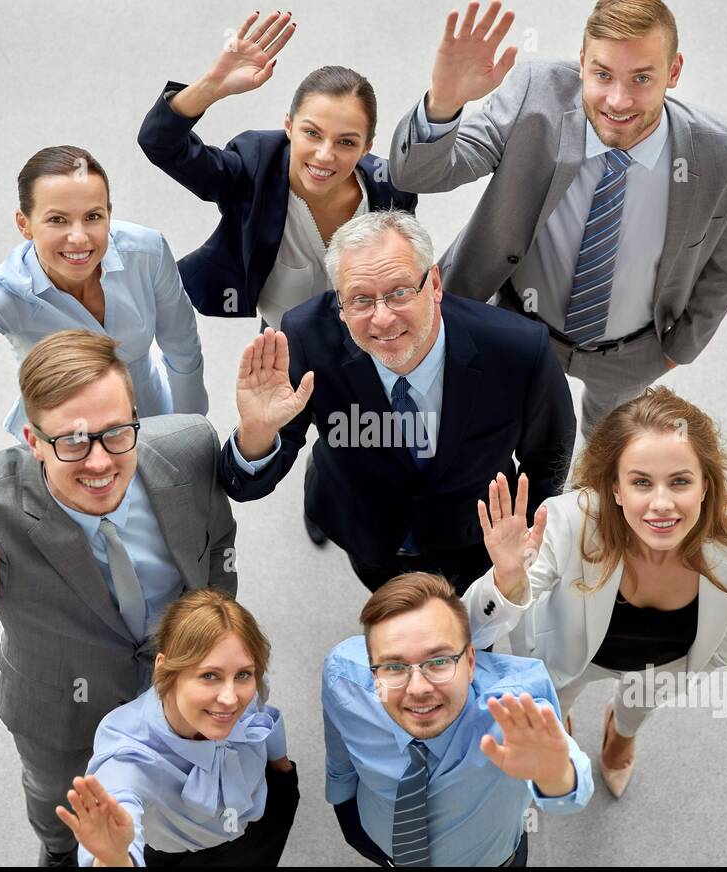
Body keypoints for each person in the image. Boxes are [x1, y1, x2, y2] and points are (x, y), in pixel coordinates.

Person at [0, 330, 237, 865]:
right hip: (62, 717)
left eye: (116, 433)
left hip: (179, 689)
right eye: (71, 440)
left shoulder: (191, 447)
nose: (98, 462)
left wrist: (214, 646)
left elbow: (219, 545)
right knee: (59, 815)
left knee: (184, 793)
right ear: (32, 440)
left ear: (137, 416)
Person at [389, 0, 727, 438]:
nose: (618, 101)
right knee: (485, 437)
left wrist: (676, 351)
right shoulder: (536, 95)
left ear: (674, 71)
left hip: (631, 352)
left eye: (641, 77)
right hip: (513, 322)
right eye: (603, 74)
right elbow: (421, 173)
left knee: (606, 464)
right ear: (582, 63)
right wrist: (444, 102)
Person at [137, 10, 418, 547]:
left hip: (368, 341)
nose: (324, 155)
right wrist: (211, 87)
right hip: (283, 345)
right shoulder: (254, 168)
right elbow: (162, 145)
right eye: (311, 133)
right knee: (282, 438)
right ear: (289, 126)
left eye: (346, 142)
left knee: (353, 439)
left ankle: (330, 490)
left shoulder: (388, 193)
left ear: (367, 146)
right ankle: (319, 501)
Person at [218, 210, 575, 594]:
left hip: (472, 541)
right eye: (360, 300)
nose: (383, 319)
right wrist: (256, 432)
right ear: (340, 305)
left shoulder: (520, 350)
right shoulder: (305, 335)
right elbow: (244, 485)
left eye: (400, 292)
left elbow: (548, 458)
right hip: (362, 529)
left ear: (434, 284)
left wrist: (521, 537)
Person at [465, 385, 727, 798]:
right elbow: (470, 629)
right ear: (614, 489)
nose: (661, 503)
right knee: (554, 710)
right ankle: (564, 725)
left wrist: (693, 669)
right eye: (641, 482)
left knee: (637, 709)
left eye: (680, 481)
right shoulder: (567, 522)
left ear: (705, 484)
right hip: (569, 654)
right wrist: (505, 580)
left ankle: (621, 735)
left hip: (665, 663)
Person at [0, 146, 207, 441]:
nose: (79, 238)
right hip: (62, 451)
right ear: (24, 224)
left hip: (150, 426)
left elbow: (183, 350)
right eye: (57, 220)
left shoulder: (147, 252)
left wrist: (188, 433)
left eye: (93, 216)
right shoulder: (4, 294)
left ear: (109, 213)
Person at [322, 572, 593, 866]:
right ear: (374, 673)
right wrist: (344, 809)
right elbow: (341, 754)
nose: (419, 689)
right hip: (378, 842)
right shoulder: (343, 677)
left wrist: (555, 775)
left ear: (470, 662)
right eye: (394, 666)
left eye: (439, 661)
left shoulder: (512, 711)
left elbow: (571, 786)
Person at [57, 589, 298, 867]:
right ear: (163, 670)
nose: (231, 698)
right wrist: (113, 859)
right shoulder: (128, 753)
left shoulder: (248, 679)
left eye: (243, 674)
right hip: (189, 858)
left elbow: (262, 714)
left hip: (263, 817)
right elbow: (118, 799)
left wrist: (282, 770)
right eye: (209, 676)